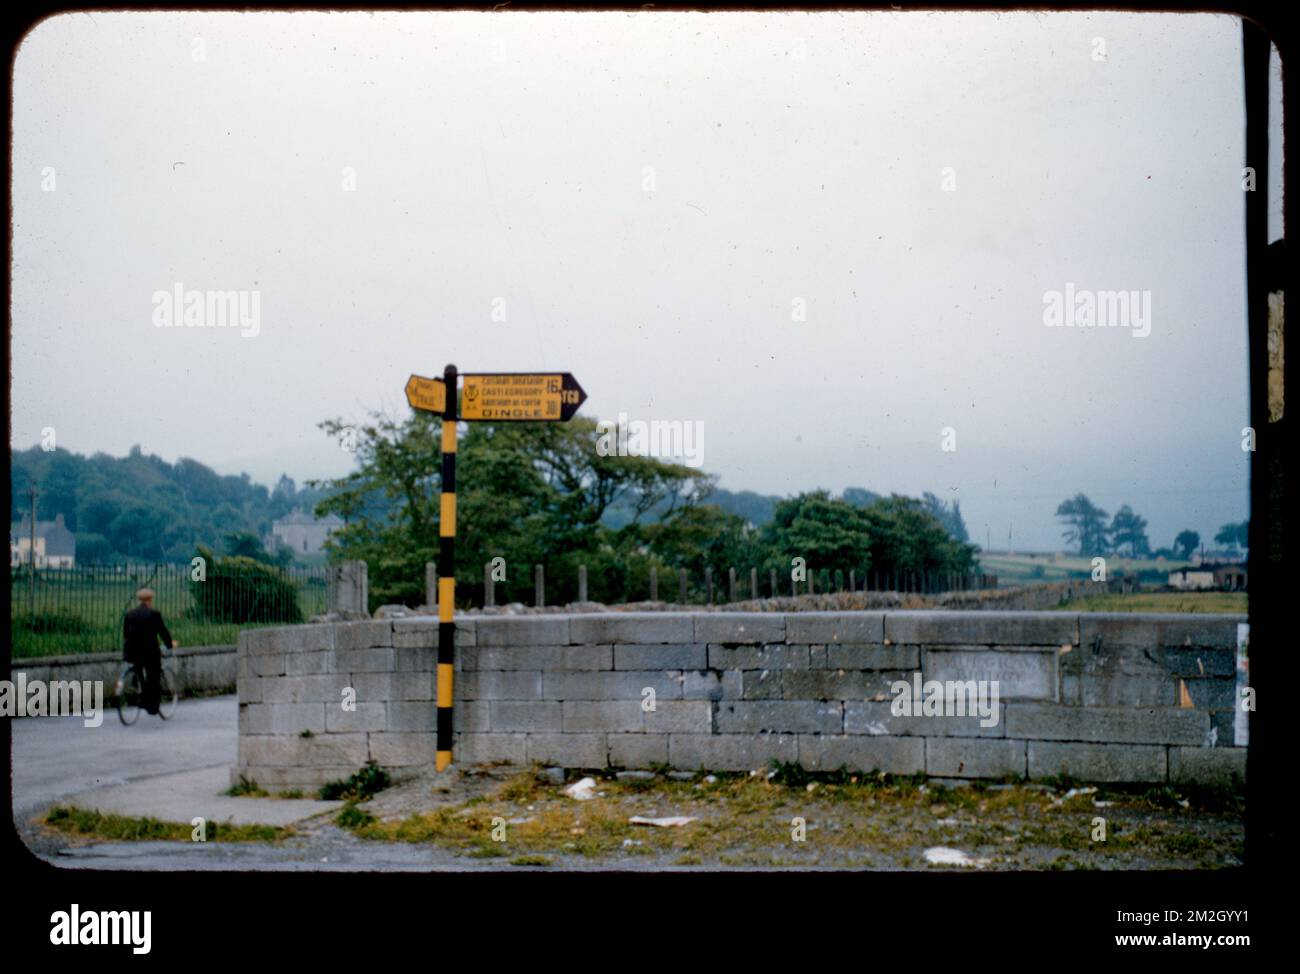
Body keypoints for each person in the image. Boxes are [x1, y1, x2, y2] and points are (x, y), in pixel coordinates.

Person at [123, 588, 177, 716]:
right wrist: (170, 644)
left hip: (132, 652)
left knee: (139, 669)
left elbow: (125, 634)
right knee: (153, 674)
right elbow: (163, 632)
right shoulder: (154, 614)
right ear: (150, 599)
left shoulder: (129, 614)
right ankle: (151, 706)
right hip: (149, 652)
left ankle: (138, 691)